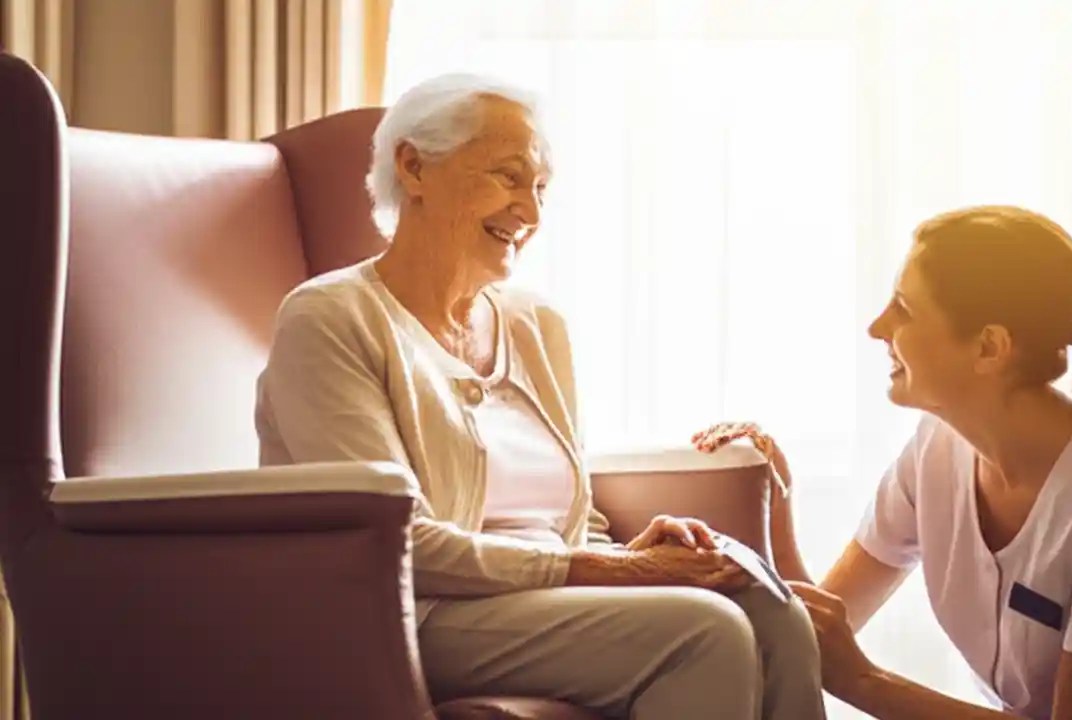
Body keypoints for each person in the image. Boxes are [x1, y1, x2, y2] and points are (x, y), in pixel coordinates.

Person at [254, 73, 826, 719]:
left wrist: (625, 557)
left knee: (775, 614)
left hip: (530, 604)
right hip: (410, 613)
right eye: (507, 177)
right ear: (413, 167)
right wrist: (602, 572)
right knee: (704, 632)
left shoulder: (536, 324)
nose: (530, 213)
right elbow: (397, 542)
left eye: (541, 189)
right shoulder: (331, 318)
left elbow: (570, 523)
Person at [695, 206, 1072, 719]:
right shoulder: (936, 451)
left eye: (905, 309)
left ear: (990, 346)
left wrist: (865, 681)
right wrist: (774, 501)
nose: (877, 328)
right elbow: (820, 627)